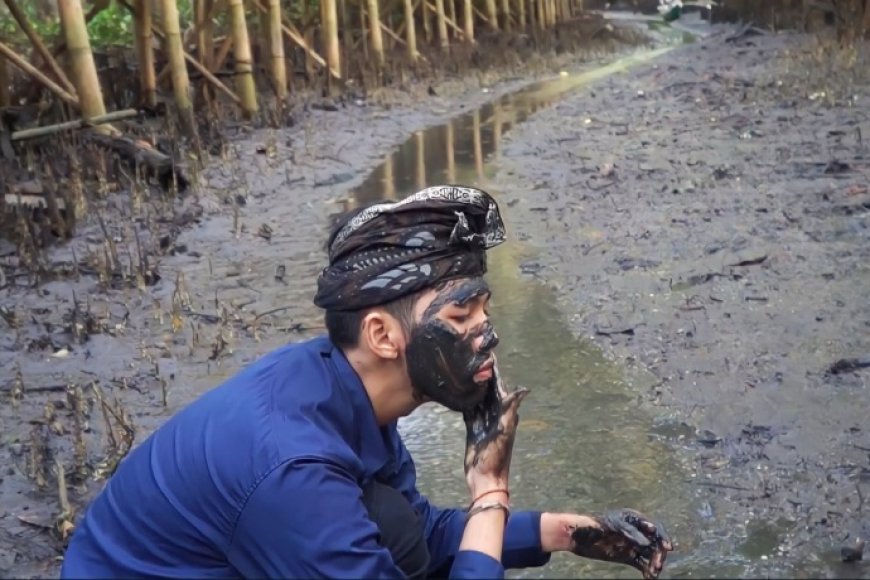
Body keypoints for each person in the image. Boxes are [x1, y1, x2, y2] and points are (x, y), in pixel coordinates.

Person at [60, 185, 673, 579]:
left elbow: (423, 534)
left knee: (395, 525)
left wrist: (567, 532)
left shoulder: (344, 389)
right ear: (382, 335)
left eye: (485, 311)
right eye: (461, 316)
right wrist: (490, 490)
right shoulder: (293, 471)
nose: (488, 335)